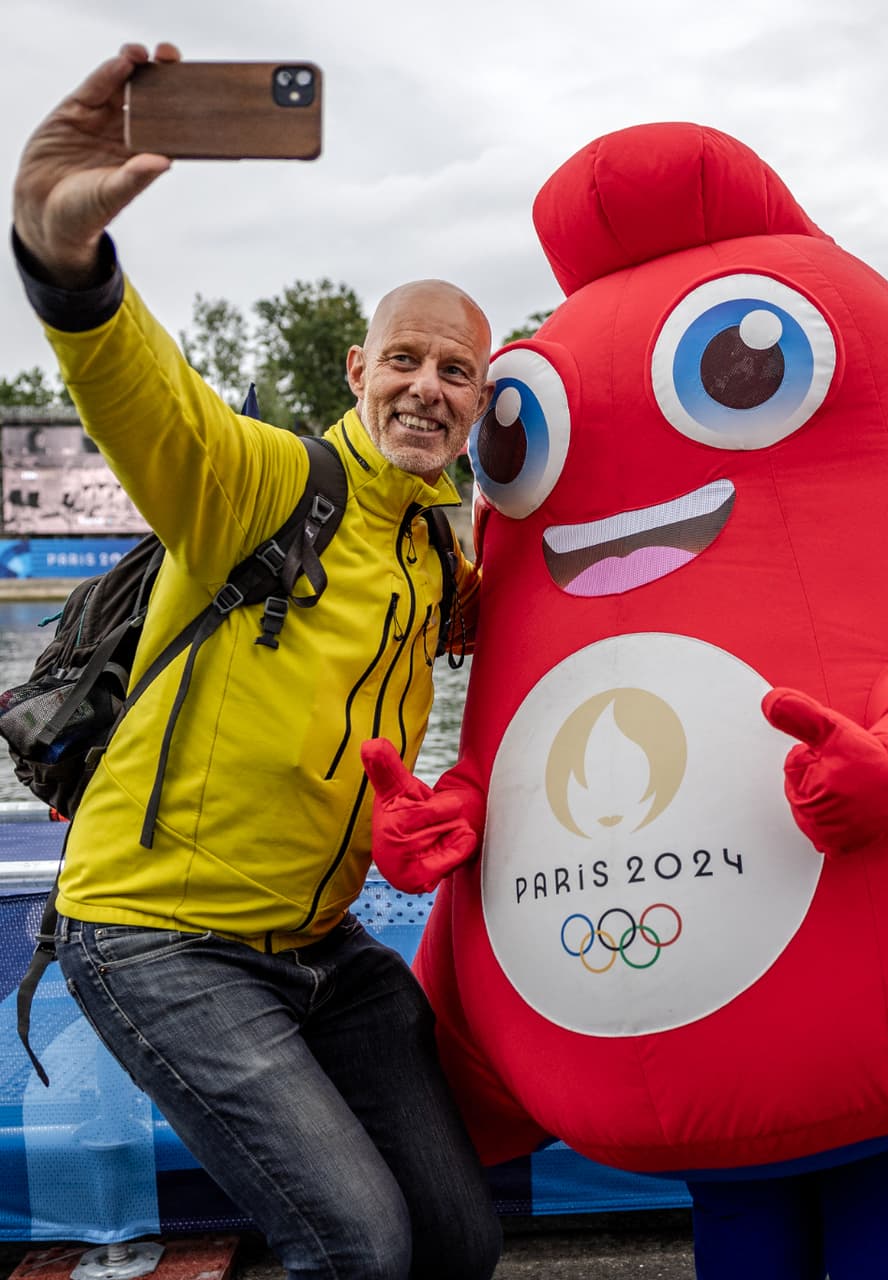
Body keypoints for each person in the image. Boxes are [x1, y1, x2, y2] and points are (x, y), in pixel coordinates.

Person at [11, 42, 502, 1280]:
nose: (426, 388)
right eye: (404, 359)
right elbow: (151, 400)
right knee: (360, 1246)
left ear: (482, 399)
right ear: (356, 369)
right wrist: (68, 265)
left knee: (459, 1238)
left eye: (456, 370)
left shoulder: (434, 556)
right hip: (158, 934)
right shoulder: (268, 485)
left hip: (321, 942)